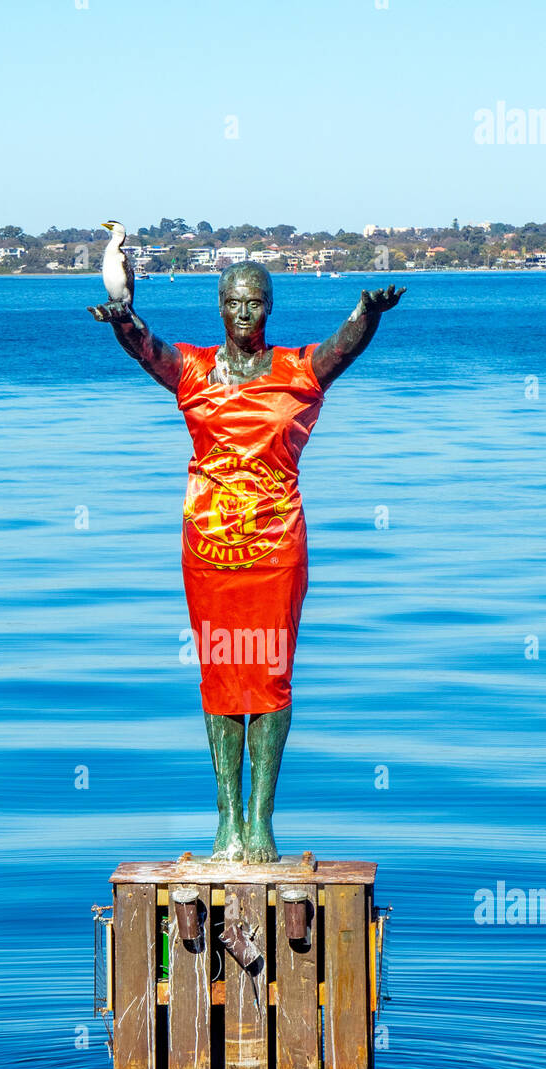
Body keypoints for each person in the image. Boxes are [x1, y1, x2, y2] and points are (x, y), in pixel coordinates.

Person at [89, 262, 403, 862]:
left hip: (275, 547)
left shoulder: (296, 371)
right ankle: (227, 819)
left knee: (269, 677)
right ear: (218, 305)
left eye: (255, 303)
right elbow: (145, 349)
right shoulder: (194, 371)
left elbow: (342, 348)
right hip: (207, 551)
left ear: (270, 307)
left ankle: (260, 819)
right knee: (222, 677)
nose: (243, 314)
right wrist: (123, 316)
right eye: (234, 303)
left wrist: (366, 316)